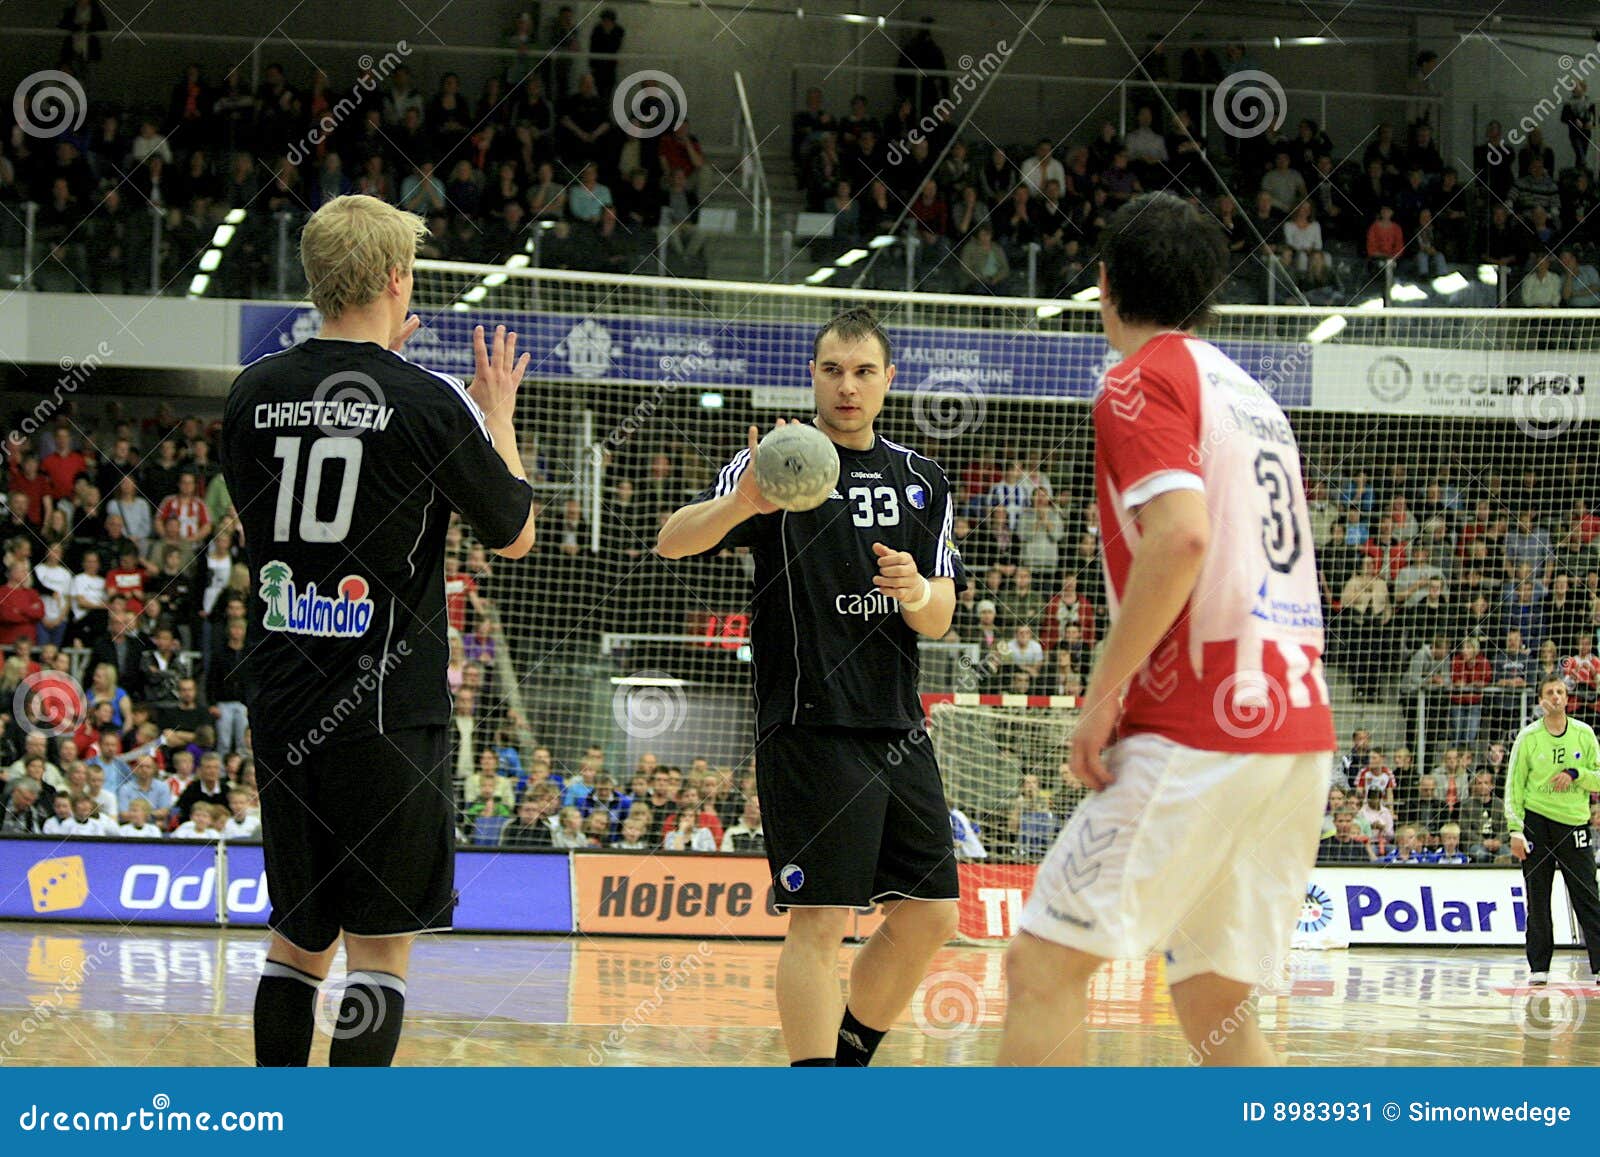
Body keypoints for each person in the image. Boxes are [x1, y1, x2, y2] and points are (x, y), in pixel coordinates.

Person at [998, 193, 1334, 1067]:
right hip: (1297, 727)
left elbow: (1182, 536)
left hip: (1204, 719)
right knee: (1215, 998)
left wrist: (1102, 693)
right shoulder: (1253, 392)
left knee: (1039, 965)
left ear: (1103, 284)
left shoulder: (1142, 376)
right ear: (1209, 293)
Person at [222, 195, 538, 1068]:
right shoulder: (429, 402)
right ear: (399, 280)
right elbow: (515, 533)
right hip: (386, 711)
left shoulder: (252, 390)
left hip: (285, 700)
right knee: (380, 949)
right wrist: (494, 414)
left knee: (296, 939)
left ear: (317, 279)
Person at [658, 306, 966, 1067]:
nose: (848, 386)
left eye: (863, 371)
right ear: (812, 376)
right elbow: (672, 541)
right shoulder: (778, 462)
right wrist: (742, 504)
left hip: (897, 726)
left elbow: (942, 617)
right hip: (808, 723)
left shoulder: (922, 481)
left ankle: (847, 1056)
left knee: (932, 914)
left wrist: (916, 592)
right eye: (833, 370)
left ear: (889, 380)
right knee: (820, 919)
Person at [1505, 675, 1600, 985]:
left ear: (1567, 699)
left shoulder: (1584, 734)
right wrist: (1515, 830)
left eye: (1561, 692)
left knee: (1587, 895)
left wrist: (1577, 773)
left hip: (1574, 823)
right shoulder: (1528, 737)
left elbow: (1598, 778)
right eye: (1550, 692)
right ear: (1541, 700)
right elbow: (1513, 787)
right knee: (1538, 896)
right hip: (1537, 824)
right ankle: (1539, 967)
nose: (1556, 697)